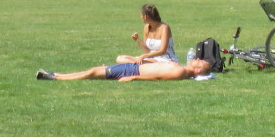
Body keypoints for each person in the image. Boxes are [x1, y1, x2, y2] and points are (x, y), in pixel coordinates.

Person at [36, 58, 212, 81]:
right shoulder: (180, 67)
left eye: (200, 62)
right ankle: (56, 74)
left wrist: (134, 77)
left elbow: (158, 77)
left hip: (131, 72)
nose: (197, 59)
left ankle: (54, 77)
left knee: (92, 73)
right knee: (94, 69)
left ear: (197, 71)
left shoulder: (180, 72)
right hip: (133, 67)